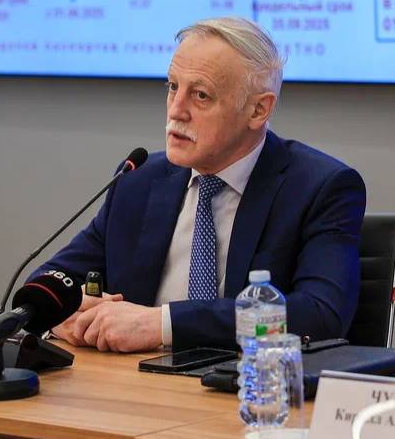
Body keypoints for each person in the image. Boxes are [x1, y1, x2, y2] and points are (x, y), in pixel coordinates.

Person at [41, 17, 365, 352]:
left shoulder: (320, 188)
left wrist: (163, 324)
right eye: (172, 87)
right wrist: (61, 311)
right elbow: (47, 281)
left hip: (248, 380)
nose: (176, 111)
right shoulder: (138, 181)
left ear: (258, 110)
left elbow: (320, 315)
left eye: (200, 95)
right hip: (133, 380)